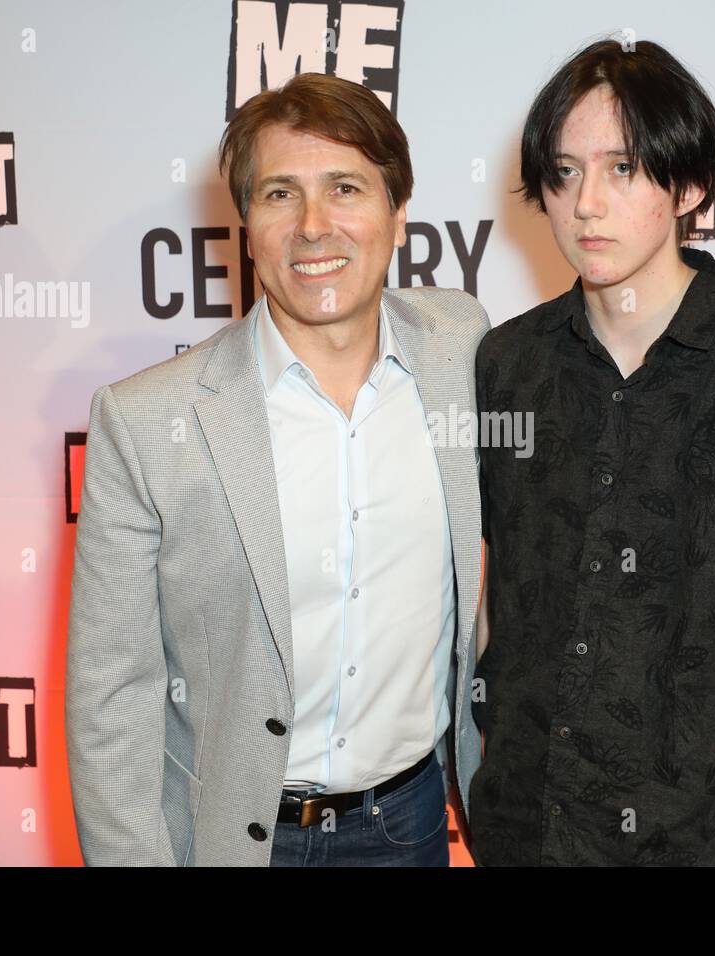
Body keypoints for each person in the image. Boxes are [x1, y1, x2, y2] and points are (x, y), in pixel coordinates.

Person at [66, 72, 489, 866]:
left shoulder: (462, 346)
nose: (314, 227)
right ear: (247, 228)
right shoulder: (149, 421)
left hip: (414, 824)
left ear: (399, 213)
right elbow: (110, 701)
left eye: (346, 188)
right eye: (280, 195)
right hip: (233, 841)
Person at [470, 38, 715, 866]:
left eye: (621, 169)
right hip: (529, 830)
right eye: (565, 173)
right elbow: (494, 608)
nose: (586, 205)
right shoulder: (508, 365)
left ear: (687, 184)